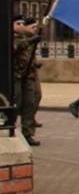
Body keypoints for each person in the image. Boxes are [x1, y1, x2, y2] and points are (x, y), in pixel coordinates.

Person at [12, 14, 41, 146]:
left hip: (28, 75)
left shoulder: (27, 37)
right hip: (16, 75)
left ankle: (28, 133)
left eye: (23, 24)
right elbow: (15, 48)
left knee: (30, 104)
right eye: (18, 23)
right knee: (15, 104)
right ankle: (9, 129)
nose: (21, 26)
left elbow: (29, 55)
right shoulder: (10, 37)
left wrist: (34, 63)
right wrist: (31, 41)